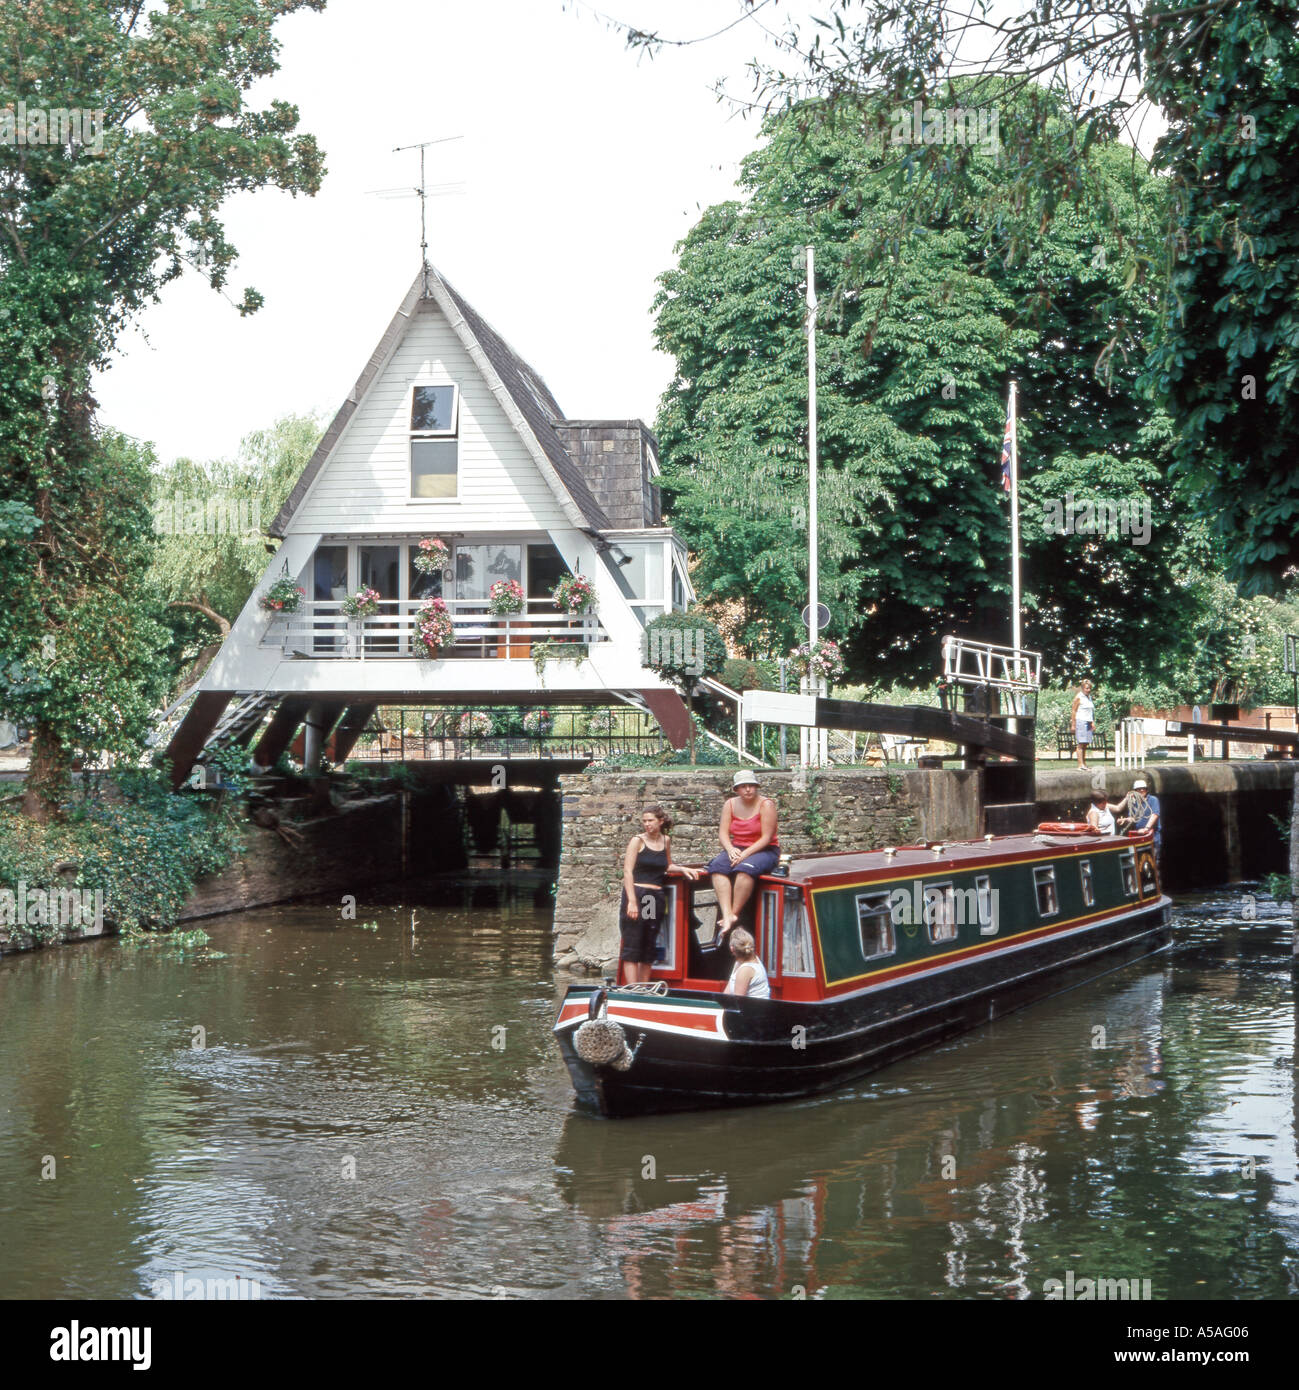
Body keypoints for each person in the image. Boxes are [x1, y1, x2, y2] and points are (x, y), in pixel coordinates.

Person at [618, 805, 700, 984]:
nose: (647, 824)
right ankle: (632, 989)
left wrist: (683, 868)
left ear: (660, 821)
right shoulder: (637, 841)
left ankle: (643, 987)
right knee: (633, 941)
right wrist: (631, 901)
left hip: (652, 898)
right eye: (644, 821)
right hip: (639, 893)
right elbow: (627, 871)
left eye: (651, 821)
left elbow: (667, 866)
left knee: (648, 942)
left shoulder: (665, 840)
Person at [707, 771, 779, 936]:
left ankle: (733, 912)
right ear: (737, 789)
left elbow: (767, 838)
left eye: (751, 786)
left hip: (765, 849)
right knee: (717, 868)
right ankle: (726, 914)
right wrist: (731, 850)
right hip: (737, 847)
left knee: (745, 870)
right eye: (743, 786)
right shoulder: (730, 804)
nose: (748, 789)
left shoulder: (766, 804)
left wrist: (743, 855)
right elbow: (723, 834)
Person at [1119, 777, 1162, 859]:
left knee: (1154, 861)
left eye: (1144, 789)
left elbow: (1155, 815)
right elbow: (1133, 818)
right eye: (1139, 789)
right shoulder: (1134, 802)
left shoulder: (1153, 800)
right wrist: (1125, 820)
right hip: (1139, 837)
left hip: (1153, 836)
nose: (1142, 790)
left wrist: (1147, 828)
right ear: (1135, 791)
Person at [722, 928, 770, 999]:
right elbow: (726, 994)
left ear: (732, 948)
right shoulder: (739, 963)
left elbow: (738, 1002)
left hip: (755, 1008)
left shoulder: (746, 970)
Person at [1071, 679, 1096, 769]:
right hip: (1081, 721)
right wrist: (1073, 724)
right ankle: (1080, 765)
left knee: (1085, 743)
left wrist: (1093, 722)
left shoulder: (1089, 697)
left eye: (1089, 688)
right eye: (1086, 688)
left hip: (1088, 722)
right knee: (1081, 743)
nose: (1088, 690)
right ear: (1082, 688)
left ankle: (1084, 764)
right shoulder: (1079, 697)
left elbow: (1091, 711)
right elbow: (1074, 710)